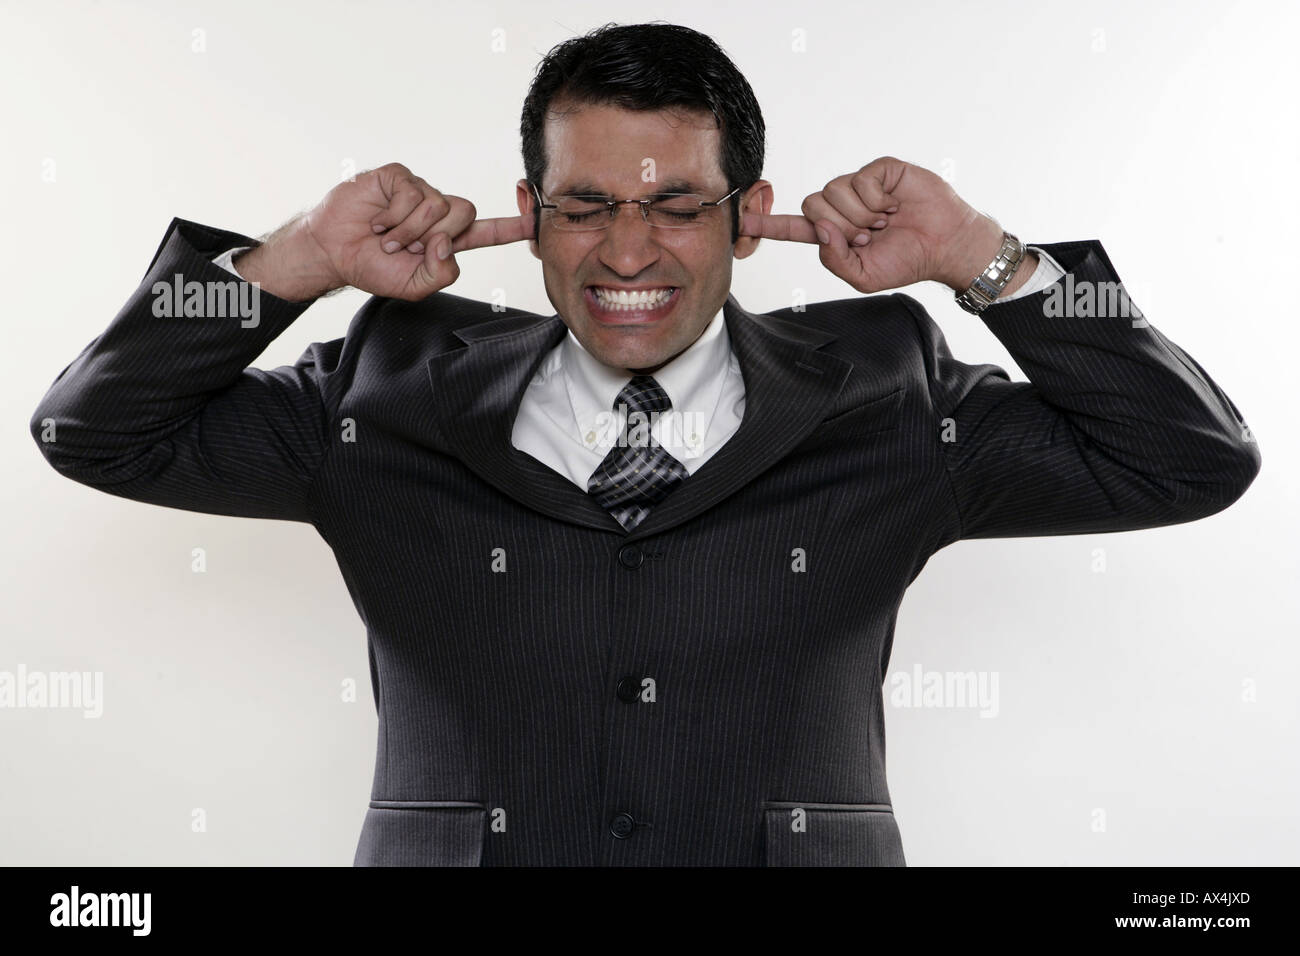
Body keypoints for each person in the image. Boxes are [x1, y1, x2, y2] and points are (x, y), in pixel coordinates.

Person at [29, 21, 1260, 866]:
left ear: (750, 214)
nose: (627, 253)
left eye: (676, 205)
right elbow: (95, 427)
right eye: (586, 207)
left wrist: (985, 260)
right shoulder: (383, 381)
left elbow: (1191, 454)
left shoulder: (889, 387)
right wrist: (289, 260)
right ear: (531, 214)